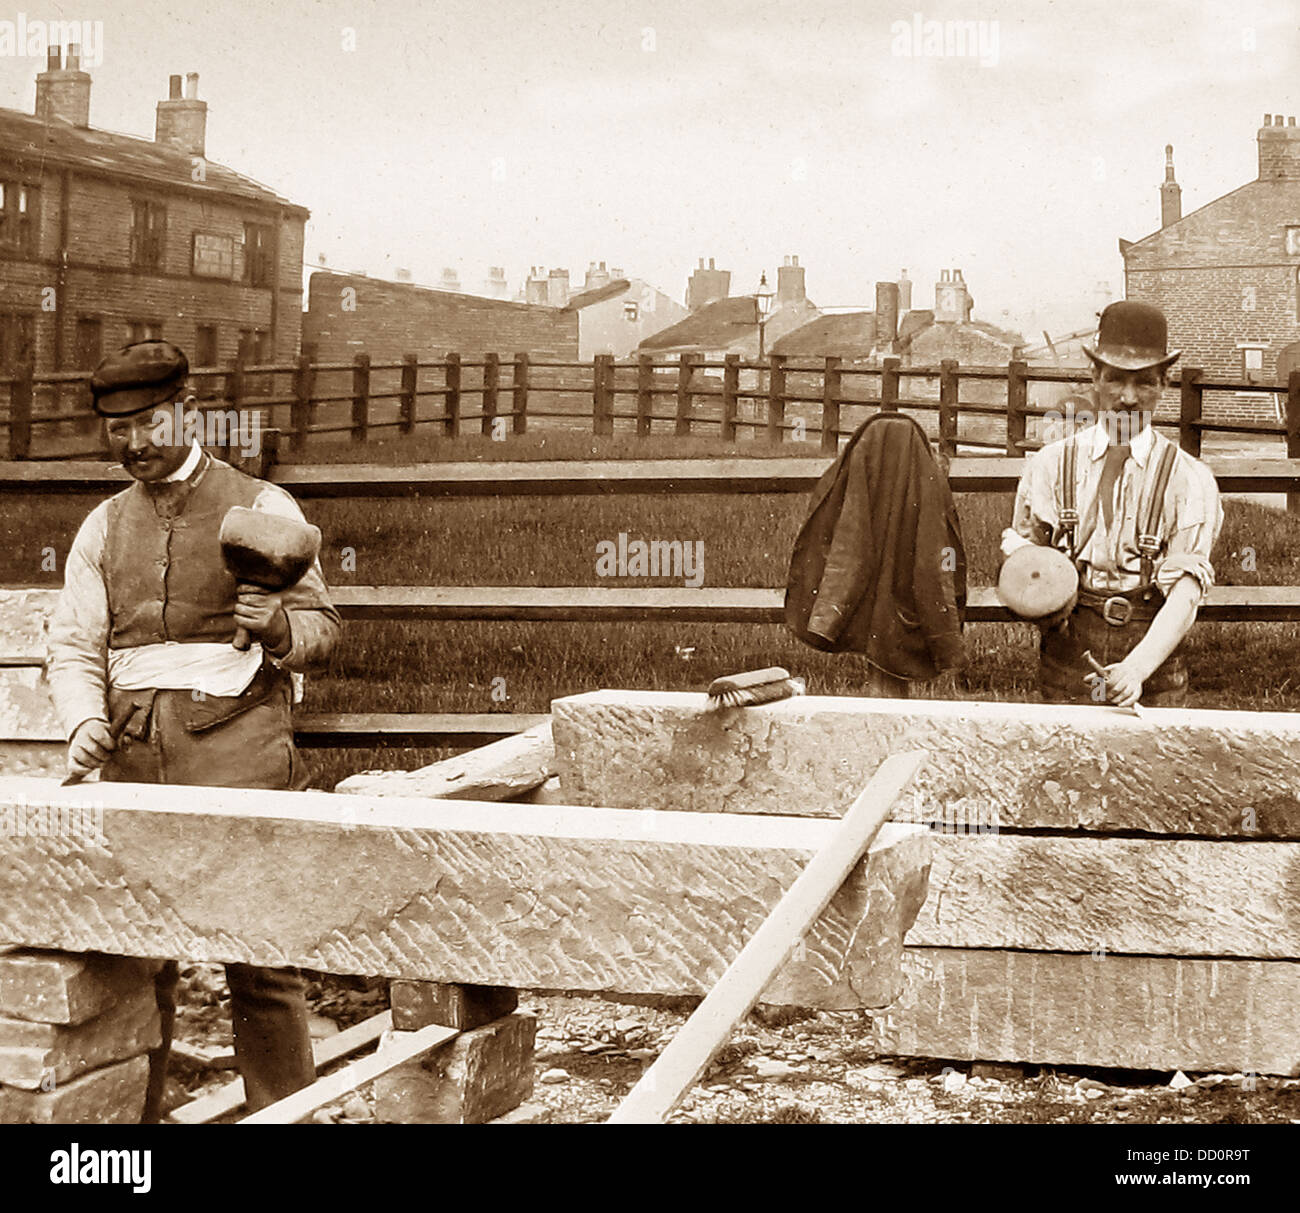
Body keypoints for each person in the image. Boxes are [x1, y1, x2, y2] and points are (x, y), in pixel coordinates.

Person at [45, 340, 342, 1122]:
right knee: (134, 951)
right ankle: (133, 1131)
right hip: (136, 750)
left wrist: (279, 625)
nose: (135, 443)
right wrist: (81, 721)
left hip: (237, 743)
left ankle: (285, 1114)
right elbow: (75, 644)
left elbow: (325, 626)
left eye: (149, 422)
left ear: (188, 410)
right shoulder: (103, 528)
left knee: (259, 954)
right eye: (118, 430)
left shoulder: (264, 507)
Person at [1002, 301, 1222, 707]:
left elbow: (1187, 590)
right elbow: (1026, 560)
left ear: (1165, 383)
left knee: (1150, 767)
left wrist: (1137, 669)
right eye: (1116, 380)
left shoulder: (1189, 478)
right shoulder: (1051, 465)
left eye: (1145, 384)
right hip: (1067, 656)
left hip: (1153, 655)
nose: (1128, 398)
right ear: (1094, 377)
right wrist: (1045, 601)